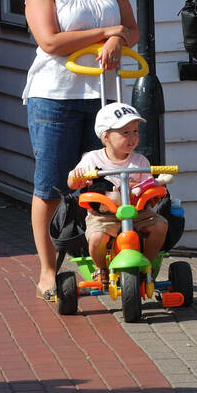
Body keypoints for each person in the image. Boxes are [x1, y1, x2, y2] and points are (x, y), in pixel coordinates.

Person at [24, 0, 139, 303]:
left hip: (106, 99)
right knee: (53, 185)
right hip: (55, 98)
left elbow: (132, 30)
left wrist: (115, 38)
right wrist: (107, 29)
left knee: (108, 182)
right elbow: (50, 41)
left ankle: (109, 265)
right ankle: (46, 270)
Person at [67, 102, 168, 276]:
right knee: (96, 239)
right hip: (103, 216)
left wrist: (151, 196)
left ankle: (146, 267)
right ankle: (102, 269)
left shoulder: (140, 162)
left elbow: (148, 187)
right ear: (106, 137)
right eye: (125, 133)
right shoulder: (92, 159)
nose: (133, 137)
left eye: (135, 131)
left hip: (136, 214)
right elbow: (72, 183)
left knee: (161, 225)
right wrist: (78, 177)